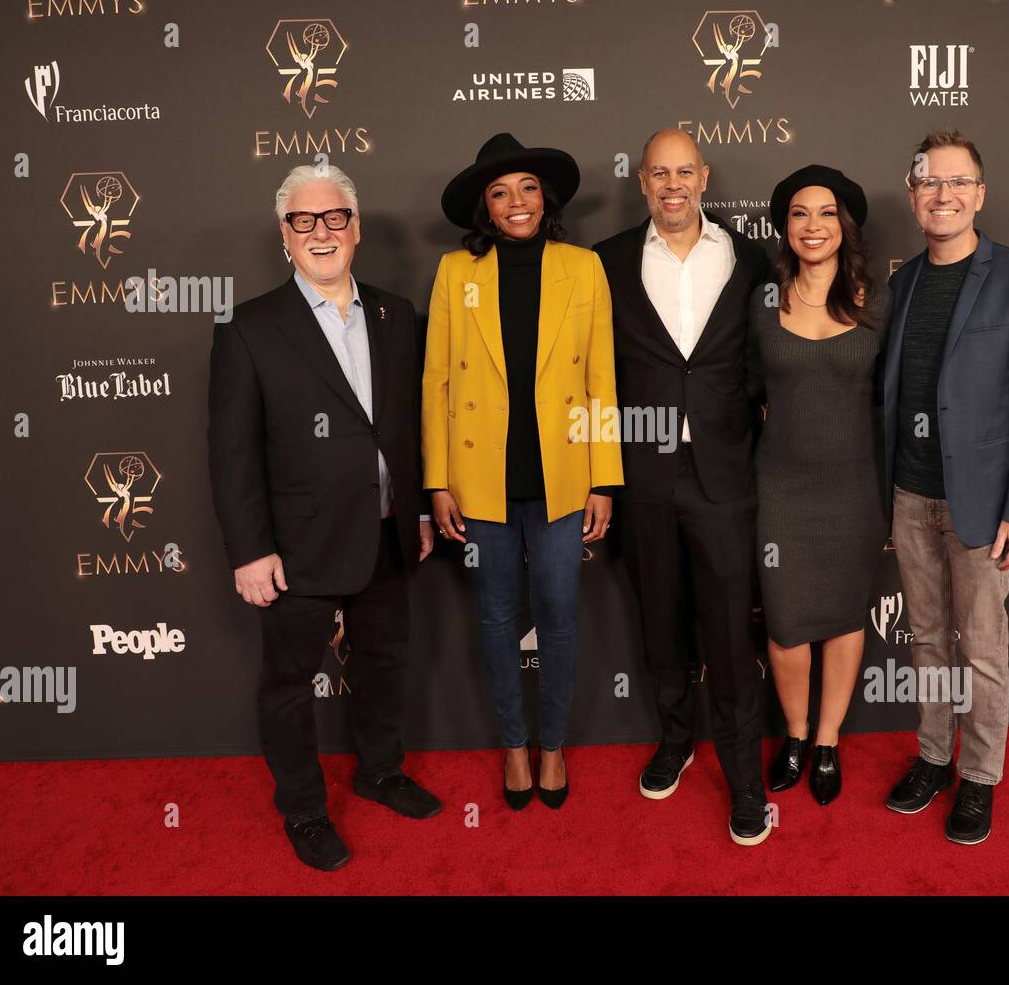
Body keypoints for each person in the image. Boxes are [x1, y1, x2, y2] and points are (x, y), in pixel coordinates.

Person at [208, 164, 441, 873]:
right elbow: (232, 451)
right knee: (288, 684)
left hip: (385, 531)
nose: (321, 232)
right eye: (304, 221)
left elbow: (408, 428)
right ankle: (305, 810)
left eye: (334, 217)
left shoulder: (395, 314)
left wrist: (419, 511)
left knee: (384, 665)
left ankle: (379, 772)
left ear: (357, 228)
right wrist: (250, 552)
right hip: (296, 545)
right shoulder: (248, 327)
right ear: (284, 236)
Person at [424, 132, 623, 811]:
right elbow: (437, 382)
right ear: (486, 206)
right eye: (501, 192)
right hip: (481, 484)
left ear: (547, 198)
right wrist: (438, 481)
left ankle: (554, 745)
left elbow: (601, 376)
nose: (517, 202)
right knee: (495, 616)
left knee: (561, 616)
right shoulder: (457, 273)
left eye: (528, 189)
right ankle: (514, 746)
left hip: (564, 479)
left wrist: (603, 478)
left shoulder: (583, 267)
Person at [882, 130, 1009, 844]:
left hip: (985, 506)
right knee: (927, 640)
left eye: (957, 183)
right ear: (913, 194)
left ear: (979, 194)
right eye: (930, 182)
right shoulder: (902, 283)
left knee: (982, 647)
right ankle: (933, 756)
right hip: (908, 494)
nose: (943, 194)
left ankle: (980, 778)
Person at [594, 128, 772, 846]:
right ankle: (675, 740)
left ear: (705, 176)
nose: (673, 184)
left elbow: (765, 361)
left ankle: (744, 779)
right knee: (661, 625)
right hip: (644, 477)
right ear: (641, 181)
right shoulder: (605, 263)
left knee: (731, 637)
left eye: (684, 171)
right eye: (658, 173)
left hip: (726, 478)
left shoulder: (749, 258)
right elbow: (591, 372)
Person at [748, 165, 888, 806]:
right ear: (785, 226)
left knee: (843, 620)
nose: (813, 225)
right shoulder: (761, 300)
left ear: (845, 225)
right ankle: (796, 736)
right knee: (786, 622)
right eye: (800, 213)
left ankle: (829, 740)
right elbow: (742, 391)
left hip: (854, 488)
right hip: (779, 488)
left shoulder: (876, 301)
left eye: (826, 213)